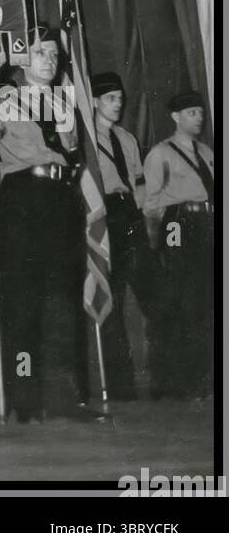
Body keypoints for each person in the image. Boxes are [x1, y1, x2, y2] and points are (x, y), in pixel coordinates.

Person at [0, 27, 105, 423]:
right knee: (23, 301)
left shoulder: (63, 100)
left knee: (62, 299)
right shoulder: (2, 98)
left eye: (54, 54)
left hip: (61, 200)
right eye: (40, 52)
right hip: (22, 200)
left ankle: (67, 398)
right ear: (23, 57)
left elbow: (72, 151)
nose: (48, 59)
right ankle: (26, 397)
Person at [143, 89, 214, 400]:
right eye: (191, 113)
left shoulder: (209, 152)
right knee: (182, 302)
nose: (198, 118)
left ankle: (204, 378)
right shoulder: (161, 153)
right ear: (175, 117)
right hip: (178, 225)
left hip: (206, 225)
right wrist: (163, 247)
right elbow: (153, 203)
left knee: (205, 303)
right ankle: (178, 381)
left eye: (200, 113)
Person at [90, 71, 154, 401]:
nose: (118, 104)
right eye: (111, 99)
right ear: (95, 101)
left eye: (120, 99)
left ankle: (167, 380)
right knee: (110, 300)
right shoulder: (86, 141)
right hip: (105, 215)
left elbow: (139, 180)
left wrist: (140, 214)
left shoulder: (126, 138)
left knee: (153, 293)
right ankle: (119, 387)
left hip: (130, 213)